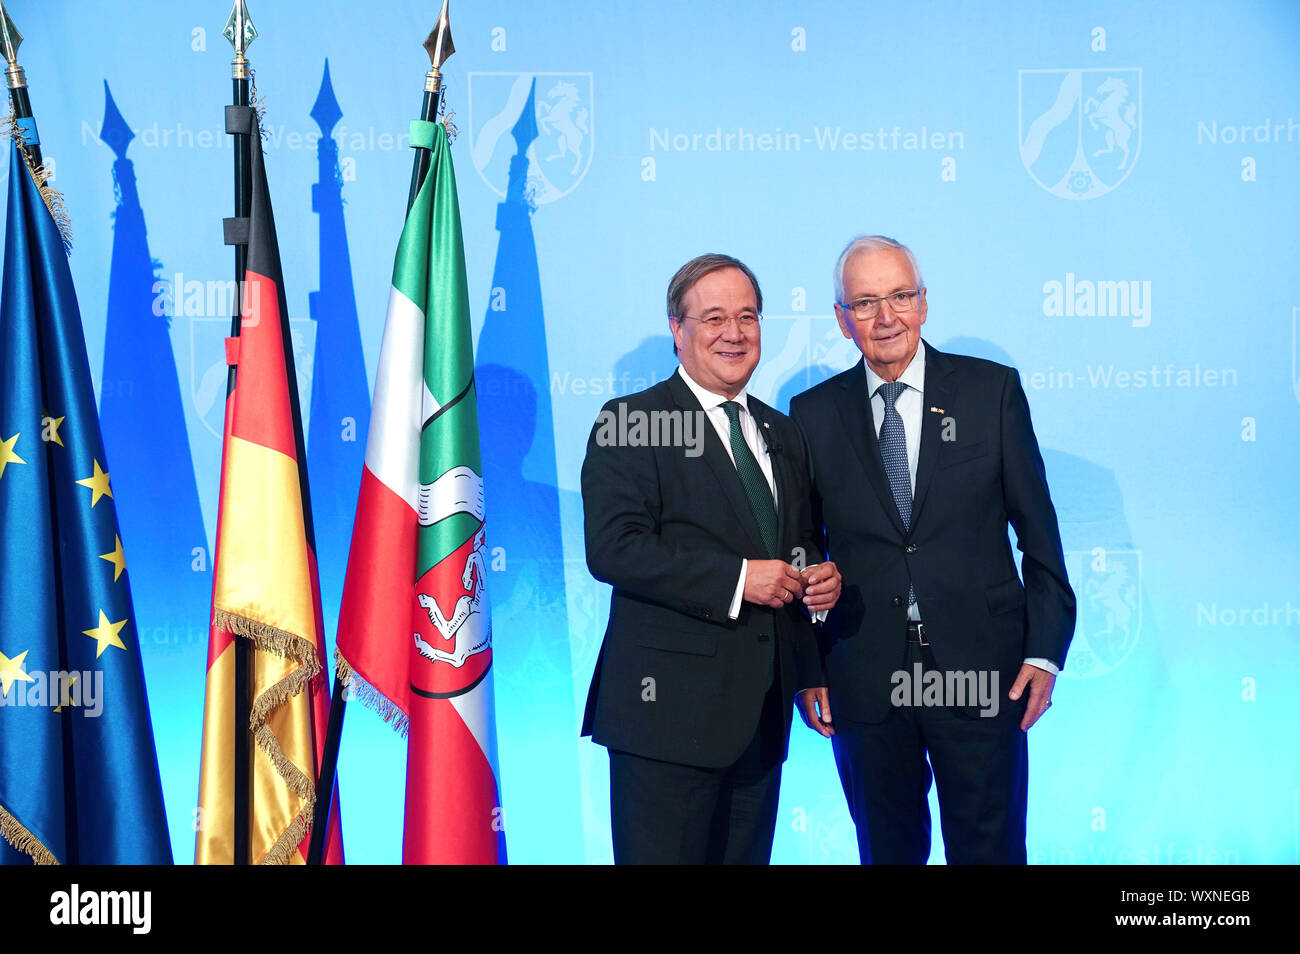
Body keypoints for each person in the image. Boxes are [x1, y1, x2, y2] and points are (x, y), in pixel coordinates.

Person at [789, 235, 1075, 864]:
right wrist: (809, 667)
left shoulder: (989, 391)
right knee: (887, 852)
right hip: (864, 673)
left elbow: (1040, 533)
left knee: (990, 850)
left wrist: (1045, 652)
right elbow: (805, 550)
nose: (884, 317)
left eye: (899, 297)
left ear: (924, 304)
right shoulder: (810, 414)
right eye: (864, 303)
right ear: (841, 320)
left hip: (982, 669)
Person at [581, 253, 841, 864]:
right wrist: (738, 580)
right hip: (664, 720)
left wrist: (817, 588)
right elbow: (615, 549)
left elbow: (797, 544)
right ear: (678, 329)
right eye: (715, 317)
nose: (734, 333)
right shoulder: (630, 422)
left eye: (747, 316)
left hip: (761, 719)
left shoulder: (782, 431)